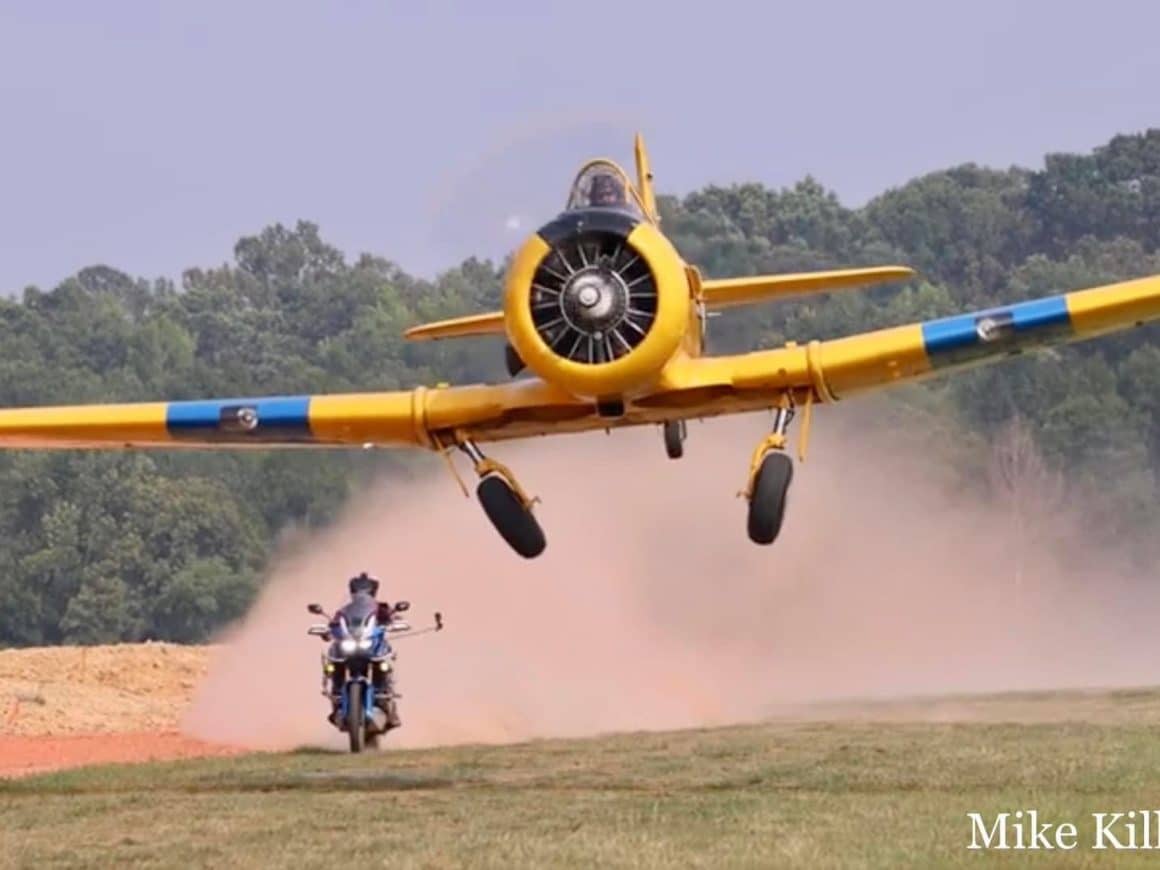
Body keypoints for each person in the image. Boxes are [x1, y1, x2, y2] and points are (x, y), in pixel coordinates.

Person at [323, 571, 402, 729]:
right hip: (349, 646)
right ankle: (337, 699)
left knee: (384, 663)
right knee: (333, 663)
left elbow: (392, 618)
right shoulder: (344, 611)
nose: (362, 593)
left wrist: (396, 622)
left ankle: (387, 700)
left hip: (372, 646)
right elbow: (334, 624)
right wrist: (327, 630)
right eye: (359, 590)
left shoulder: (381, 608)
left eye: (365, 590)